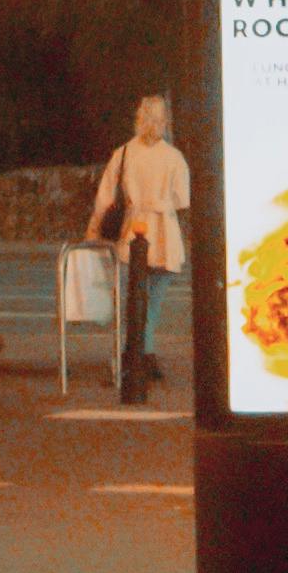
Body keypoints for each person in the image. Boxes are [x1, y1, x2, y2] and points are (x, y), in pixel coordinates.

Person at [88, 87, 188, 404]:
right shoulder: (174, 158)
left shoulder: (124, 153)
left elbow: (105, 197)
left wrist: (94, 229)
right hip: (164, 234)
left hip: (132, 232)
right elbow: (182, 199)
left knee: (134, 298)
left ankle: (137, 352)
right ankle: (143, 353)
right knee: (153, 299)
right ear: (164, 121)